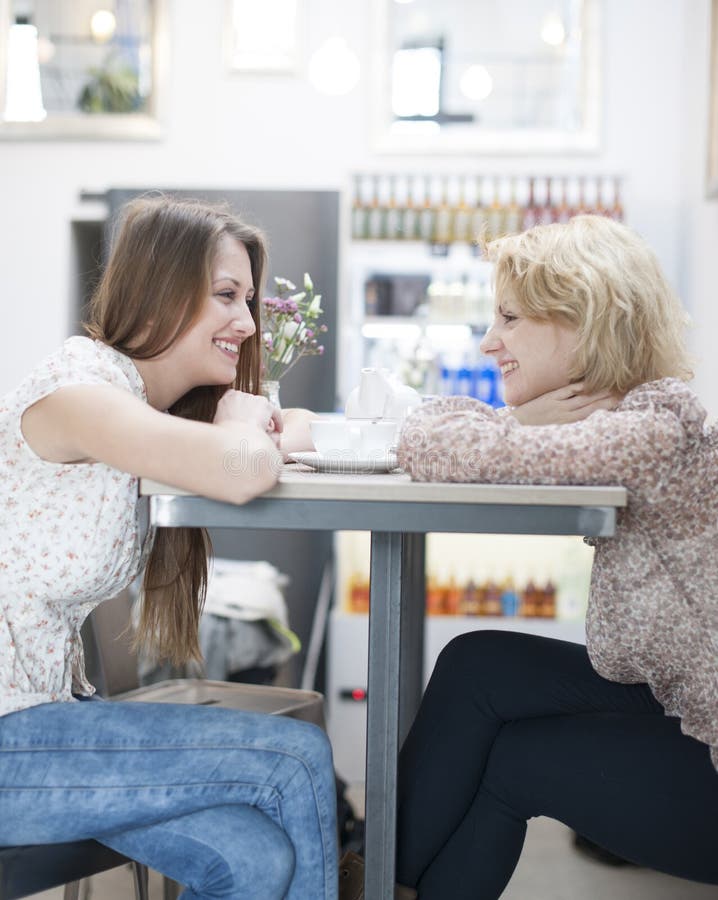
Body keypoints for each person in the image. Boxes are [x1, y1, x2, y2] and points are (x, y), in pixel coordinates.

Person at [0, 196, 337, 899]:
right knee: (296, 759)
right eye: (226, 296)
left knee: (253, 858)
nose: (247, 324)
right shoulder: (80, 390)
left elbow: (290, 429)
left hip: (47, 718)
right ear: (159, 292)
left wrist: (255, 424)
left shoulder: (136, 407)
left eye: (248, 300)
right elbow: (242, 468)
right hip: (13, 734)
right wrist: (247, 428)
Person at [393, 214, 718, 899]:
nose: (489, 342)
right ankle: (375, 878)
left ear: (583, 321)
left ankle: (368, 880)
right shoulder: (637, 419)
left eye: (510, 318)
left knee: (516, 761)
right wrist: (519, 423)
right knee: (477, 663)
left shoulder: (653, 431)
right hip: (677, 699)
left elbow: (428, 446)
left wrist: (510, 423)